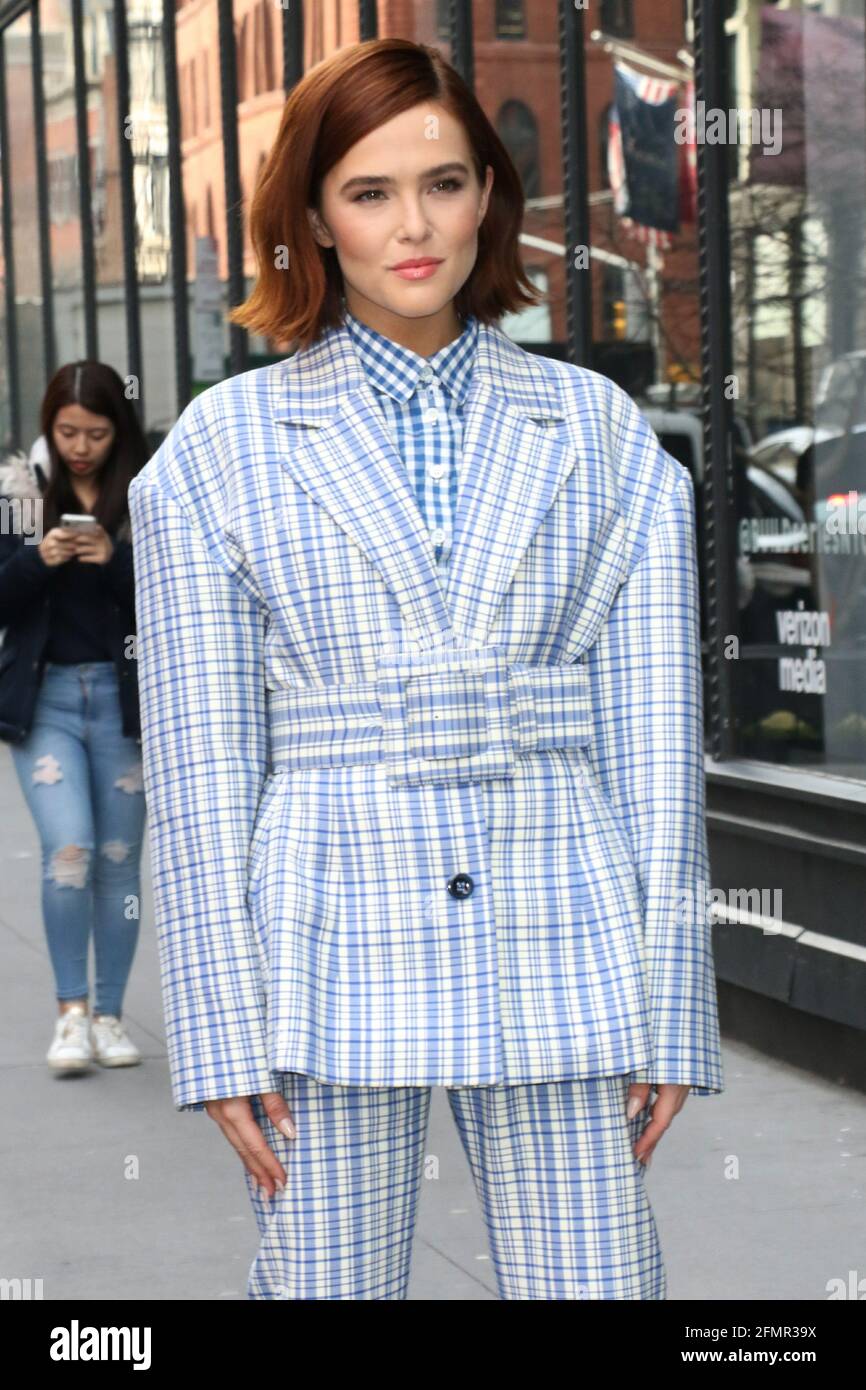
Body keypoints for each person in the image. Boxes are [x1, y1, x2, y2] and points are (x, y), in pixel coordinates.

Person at [128, 38, 724, 1301]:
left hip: (564, 933)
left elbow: (655, 749)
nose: (415, 225)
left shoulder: (600, 435)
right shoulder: (219, 453)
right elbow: (200, 767)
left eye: (445, 183)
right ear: (310, 218)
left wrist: (670, 997)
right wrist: (216, 1026)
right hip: (321, 946)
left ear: (489, 197)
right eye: (369, 191)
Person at [0, 362, 148, 1075]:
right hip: (48, 700)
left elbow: (173, 601)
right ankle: (71, 1015)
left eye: (95, 433)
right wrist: (41, 557)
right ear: (47, 427)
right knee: (70, 854)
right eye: (66, 433)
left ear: (118, 431)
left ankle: (112, 1016)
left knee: (119, 864)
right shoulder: (19, 493)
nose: (79, 447)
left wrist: (112, 558)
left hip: (124, 706)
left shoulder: (147, 494)